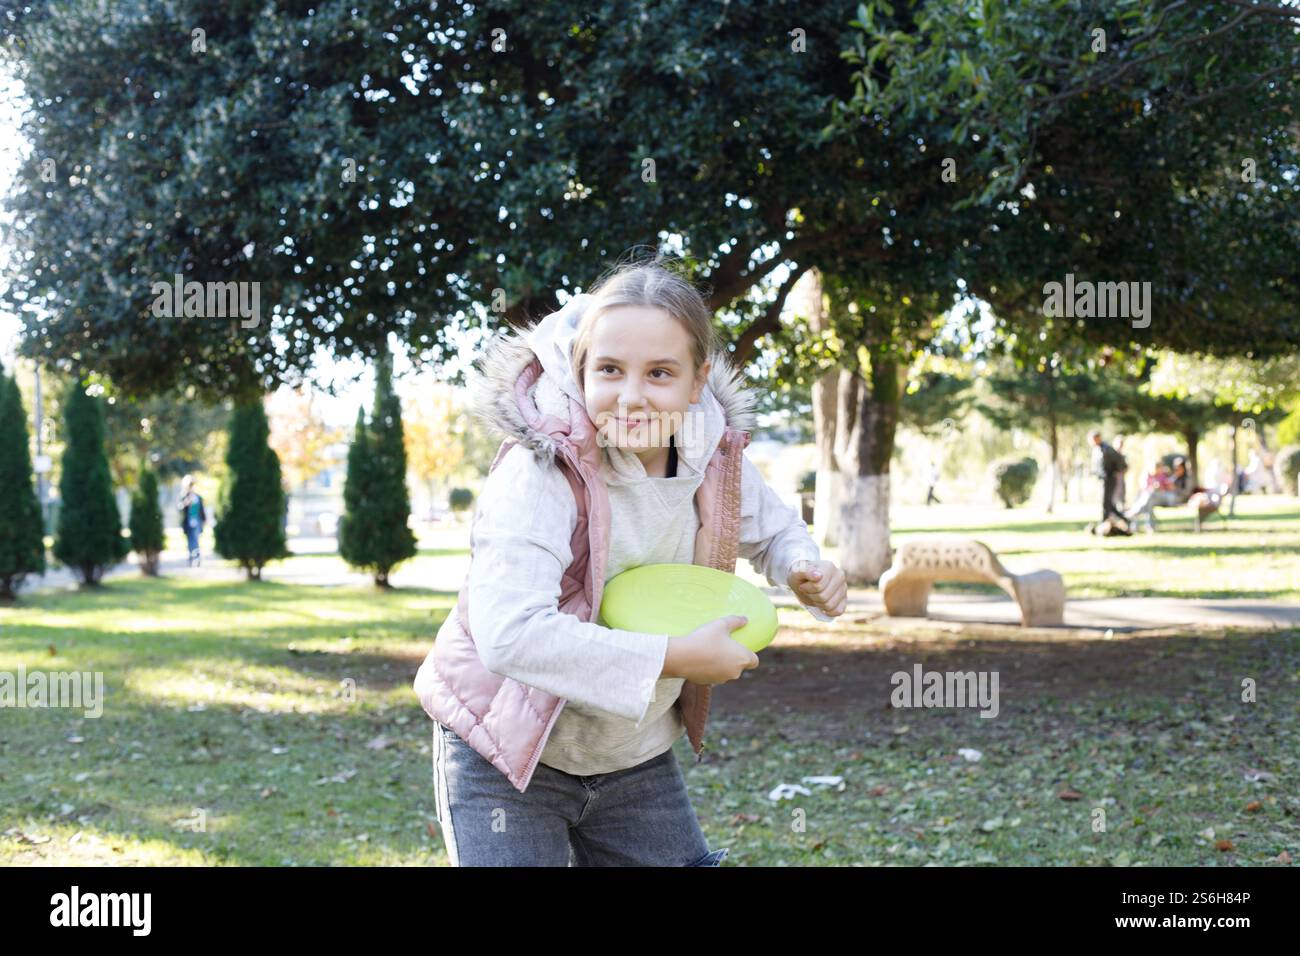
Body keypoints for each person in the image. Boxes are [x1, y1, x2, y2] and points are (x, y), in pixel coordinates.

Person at [412, 261, 848, 866]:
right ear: (581, 369)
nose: (633, 395)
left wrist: (805, 568)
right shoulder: (542, 466)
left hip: (630, 751)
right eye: (610, 370)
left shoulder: (712, 456)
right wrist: (675, 657)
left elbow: (775, 531)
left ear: (697, 382)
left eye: (661, 373)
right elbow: (508, 634)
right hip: (507, 746)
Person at [1124, 456, 1190, 531]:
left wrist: (1173, 488)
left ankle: (1134, 513)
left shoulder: (1186, 479)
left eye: (1178, 468)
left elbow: (1184, 492)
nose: (1176, 470)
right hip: (1161, 496)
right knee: (1149, 501)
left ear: (1183, 468)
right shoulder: (1172, 476)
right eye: (1175, 468)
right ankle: (1149, 526)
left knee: (1149, 495)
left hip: (1174, 498)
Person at [1088, 429, 1129, 530]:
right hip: (1103, 479)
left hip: (1109, 478)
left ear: (1098, 438)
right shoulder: (1097, 449)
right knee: (1108, 503)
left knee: (1106, 502)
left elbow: (1119, 459)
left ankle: (1105, 521)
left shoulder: (1106, 448)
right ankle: (1124, 519)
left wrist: (1118, 470)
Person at [176, 475, 206, 567]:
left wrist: (204, 520)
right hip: (188, 522)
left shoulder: (198, 497)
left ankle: (196, 558)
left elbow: (202, 510)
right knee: (190, 540)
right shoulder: (183, 496)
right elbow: (179, 508)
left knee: (196, 539)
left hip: (197, 521)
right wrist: (185, 503)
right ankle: (191, 557)